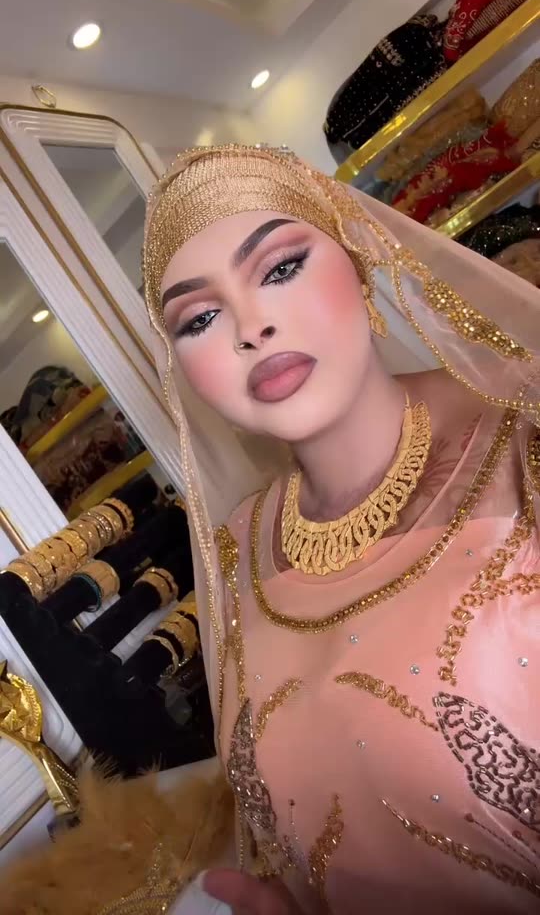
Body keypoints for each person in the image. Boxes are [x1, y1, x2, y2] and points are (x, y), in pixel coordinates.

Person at [142, 143, 540, 915]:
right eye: (200, 318)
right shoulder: (238, 547)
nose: (250, 327)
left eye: (281, 268)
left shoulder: (521, 434)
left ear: (358, 265)